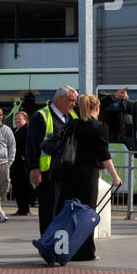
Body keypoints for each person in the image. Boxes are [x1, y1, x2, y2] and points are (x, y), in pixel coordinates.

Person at [53, 94, 123, 262]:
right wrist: (115, 176)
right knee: (86, 213)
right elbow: (104, 154)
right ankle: (85, 252)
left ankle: (65, 248)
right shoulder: (99, 127)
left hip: (69, 173)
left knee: (70, 212)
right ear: (97, 108)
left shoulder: (73, 124)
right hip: (88, 175)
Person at [27, 85, 79, 234]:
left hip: (68, 173)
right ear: (60, 100)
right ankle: (48, 243)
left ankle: (61, 244)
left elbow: (91, 109)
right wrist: (34, 168)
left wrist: (113, 97)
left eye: (75, 101)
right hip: (48, 174)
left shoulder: (72, 116)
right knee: (49, 211)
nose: (74, 104)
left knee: (65, 210)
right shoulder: (41, 116)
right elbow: (31, 145)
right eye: (71, 100)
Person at [10, 110, 34, 216]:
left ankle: (25, 208)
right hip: (15, 162)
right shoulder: (14, 130)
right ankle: (21, 207)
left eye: (19, 119)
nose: (16, 121)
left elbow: (28, 144)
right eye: (15, 119)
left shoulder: (27, 129)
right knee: (17, 185)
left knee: (22, 185)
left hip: (22, 163)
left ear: (25, 120)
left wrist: (24, 156)